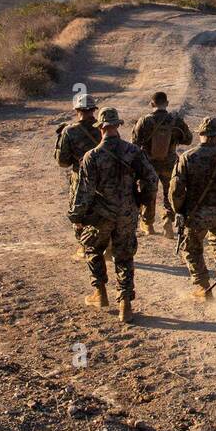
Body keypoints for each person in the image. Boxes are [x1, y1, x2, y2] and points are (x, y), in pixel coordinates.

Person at [69, 106, 159, 323]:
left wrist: (77, 217)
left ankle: (100, 293)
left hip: (101, 215)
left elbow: (85, 191)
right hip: (127, 213)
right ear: (118, 126)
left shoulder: (92, 156)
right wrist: (142, 202)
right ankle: (125, 303)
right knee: (124, 257)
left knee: (93, 249)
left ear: (100, 128)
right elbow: (152, 180)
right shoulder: (133, 152)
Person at [169, 117, 216, 302]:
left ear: (201, 134)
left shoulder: (187, 157)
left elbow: (176, 190)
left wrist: (179, 210)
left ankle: (203, 286)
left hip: (196, 215)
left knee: (192, 249)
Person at [131, 92, 192, 238]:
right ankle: (167, 221)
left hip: (148, 164)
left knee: (149, 193)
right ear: (167, 103)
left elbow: (134, 142)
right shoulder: (175, 120)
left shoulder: (144, 121)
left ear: (152, 104)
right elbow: (188, 139)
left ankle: (148, 224)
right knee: (169, 193)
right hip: (169, 162)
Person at [55, 96, 101, 259]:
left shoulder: (70, 131)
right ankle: (107, 245)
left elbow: (63, 162)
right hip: (104, 178)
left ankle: (83, 246)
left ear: (76, 110)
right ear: (93, 110)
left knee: (79, 211)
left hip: (80, 179)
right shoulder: (102, 127)